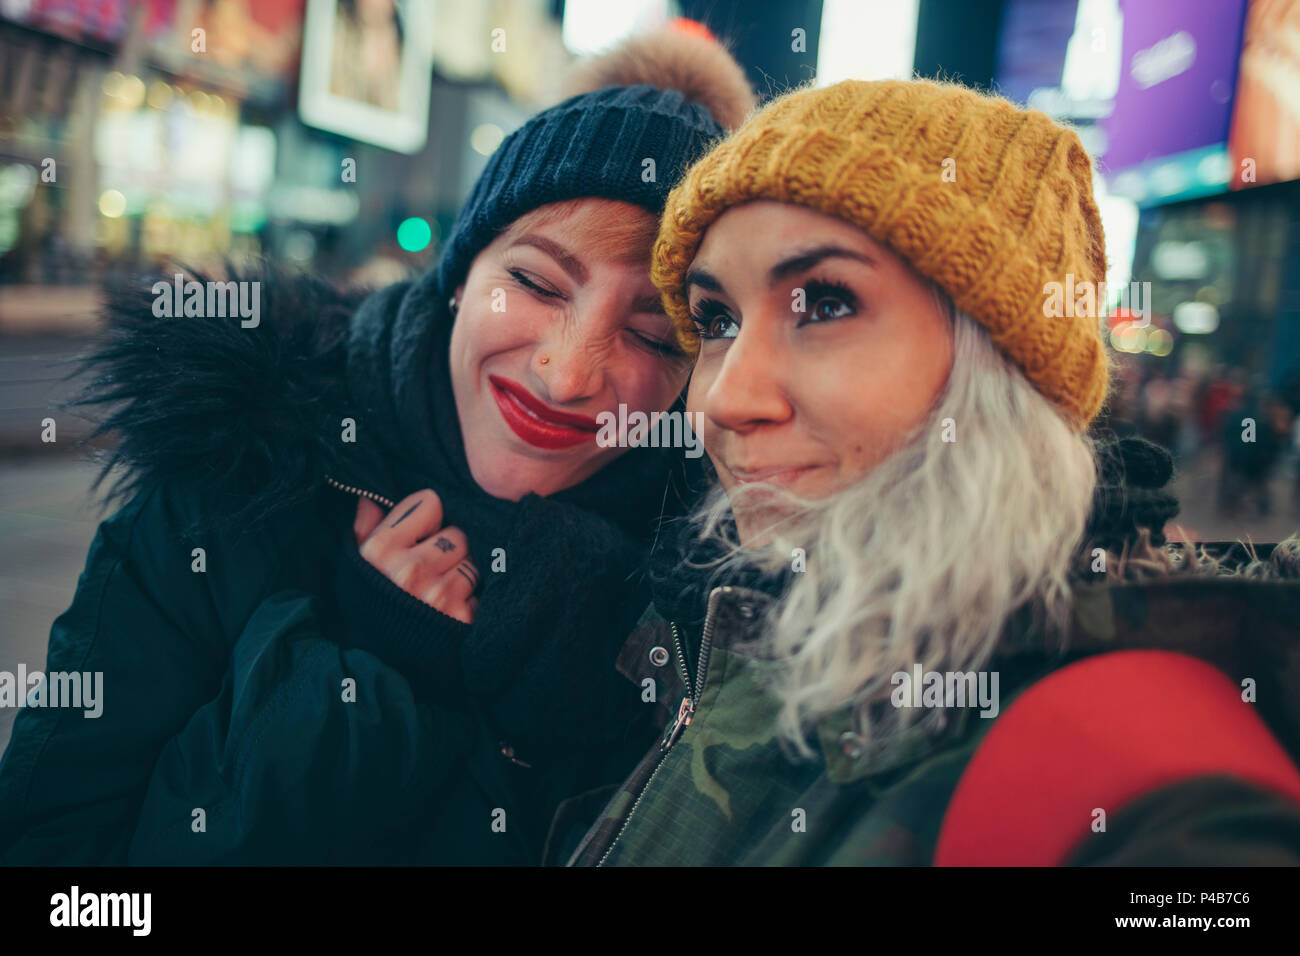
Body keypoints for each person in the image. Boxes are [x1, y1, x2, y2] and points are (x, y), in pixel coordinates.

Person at [0, 28, 755, 864]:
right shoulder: (236, 474)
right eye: (535, 282)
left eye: (655, 335)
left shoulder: (713, 612)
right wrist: (360, 689)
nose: (568, 374)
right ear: (461, 274)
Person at [565, 78, 1300, 867]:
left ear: (1003, 362)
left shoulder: (1158, 799)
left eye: (826, 304)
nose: (724, 399)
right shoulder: (731, 629)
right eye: (717, 320)